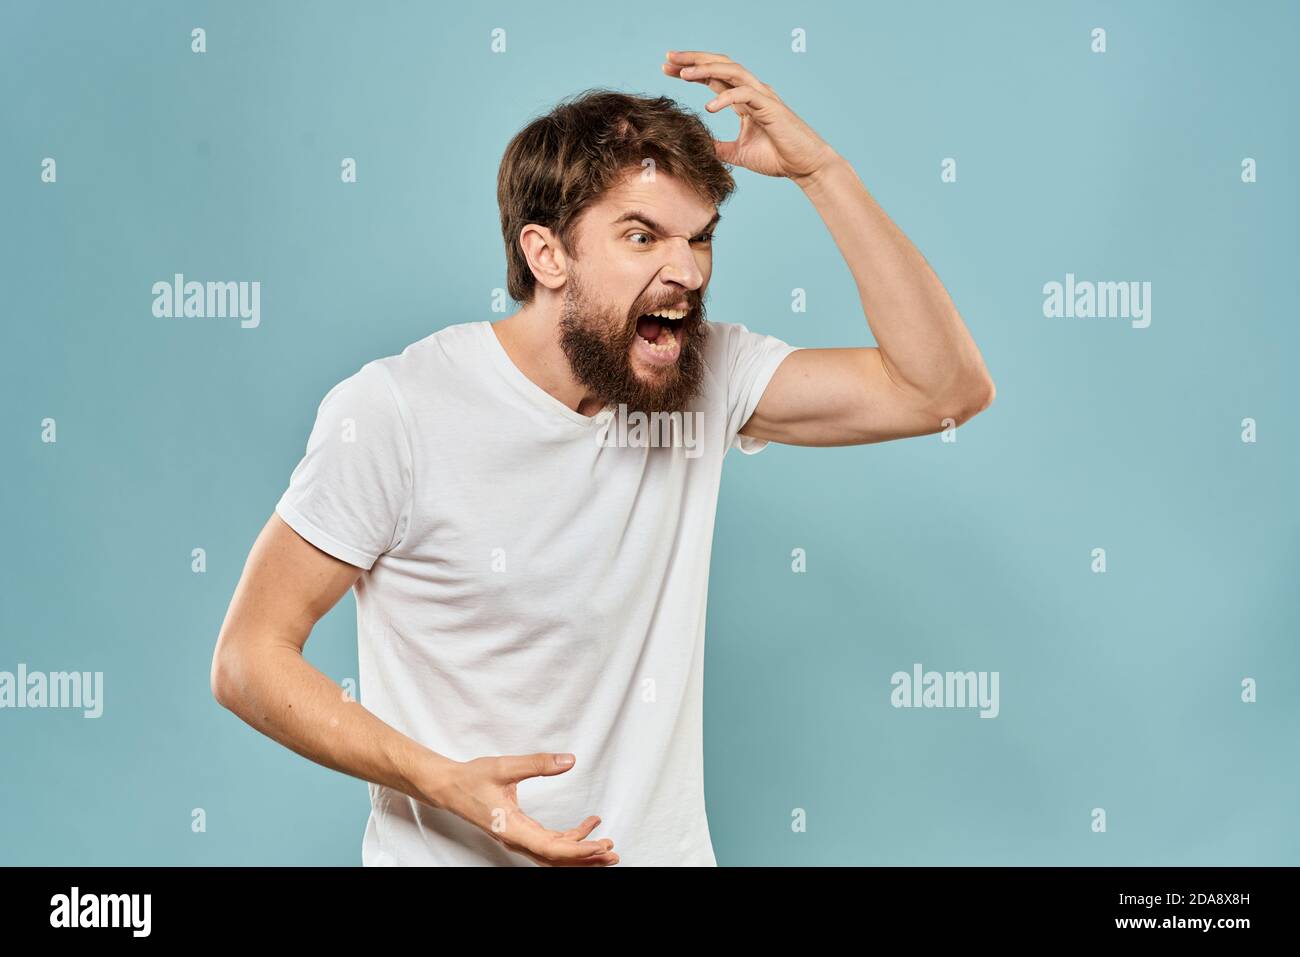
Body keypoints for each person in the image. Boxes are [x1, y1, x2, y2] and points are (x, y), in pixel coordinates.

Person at [210, 49, 995, 867]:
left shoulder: (705, 375)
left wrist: (821, 171)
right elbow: (249, 657)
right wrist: (440, 780)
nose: (686, 272)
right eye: (641, 235)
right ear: (547, 254)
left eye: (700, 239)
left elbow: (942, 389)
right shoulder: (395, 411)